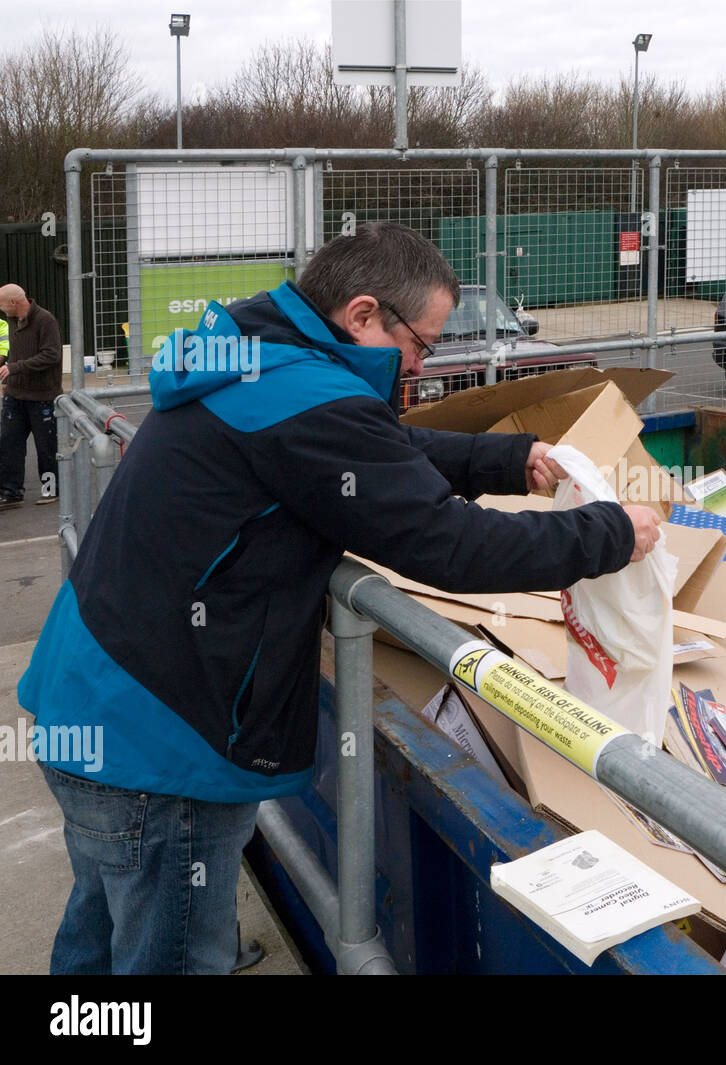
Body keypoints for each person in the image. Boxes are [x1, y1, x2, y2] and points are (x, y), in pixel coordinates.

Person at [18, 222, 662, 975]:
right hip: (163, 747)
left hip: (96, 704)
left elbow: (379, 452)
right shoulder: (307, 397)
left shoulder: (262, 360)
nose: (420, 366)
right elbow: (444, 542)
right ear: (362, 315)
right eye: (420, 344)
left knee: (98, 942)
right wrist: (609, 533)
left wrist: (510, 458)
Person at [0, 284, 62, 508]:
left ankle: (50, 490)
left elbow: (51, 355)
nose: (0, 308)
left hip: (42, 397)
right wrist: (7, 367)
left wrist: (15, 367)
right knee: (8, 443)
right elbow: (16, 356)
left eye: (1, 303)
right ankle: (10, 492)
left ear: (13, 303)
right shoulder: (14, 323)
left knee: (46, 447)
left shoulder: (45, 320)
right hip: (15, 395)